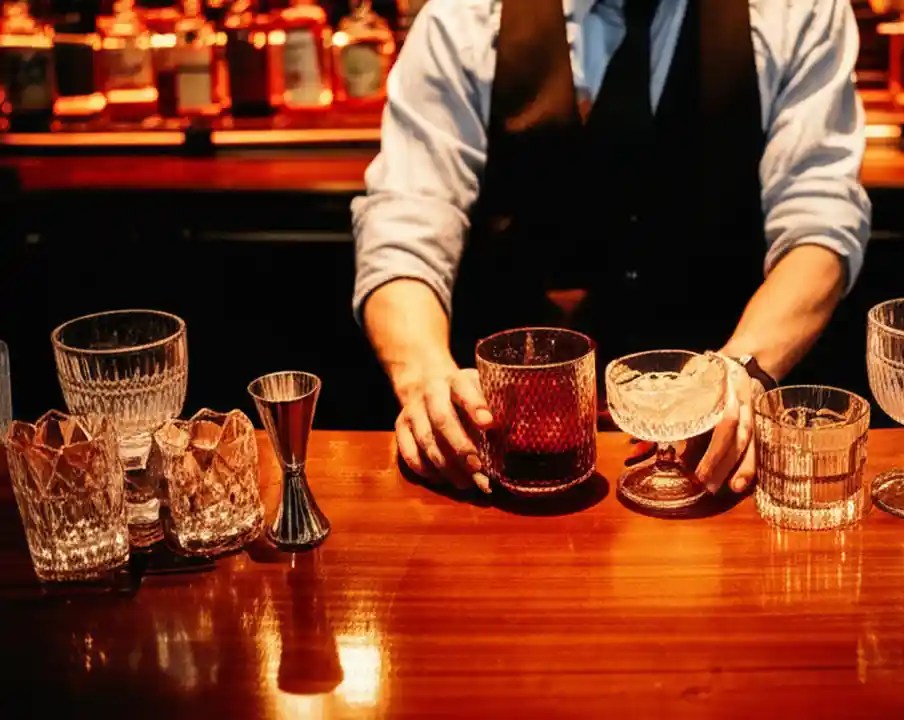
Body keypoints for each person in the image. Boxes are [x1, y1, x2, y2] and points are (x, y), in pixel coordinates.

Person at [352, 0, 871, 496]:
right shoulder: (461, 16)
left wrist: (745, 367)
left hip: (707, 459)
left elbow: (820, 220)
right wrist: (424, 375)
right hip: (510, 453)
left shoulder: (799, 11)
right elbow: (406, 220)